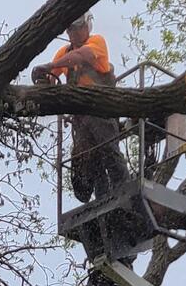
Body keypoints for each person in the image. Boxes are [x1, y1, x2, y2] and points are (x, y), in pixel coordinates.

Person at [32, 16, 128, 204]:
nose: (74, 33)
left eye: (77, 29)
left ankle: (124, 191)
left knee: (109, 151)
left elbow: (82, 56)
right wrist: (44, 79)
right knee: (89, 160)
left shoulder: (96, 42)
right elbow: (53, 77)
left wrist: (50, 66)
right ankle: (102, 198)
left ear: (86, 27)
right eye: (71, 30)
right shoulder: (64, 52)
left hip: (102, 110)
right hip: (81, 118)